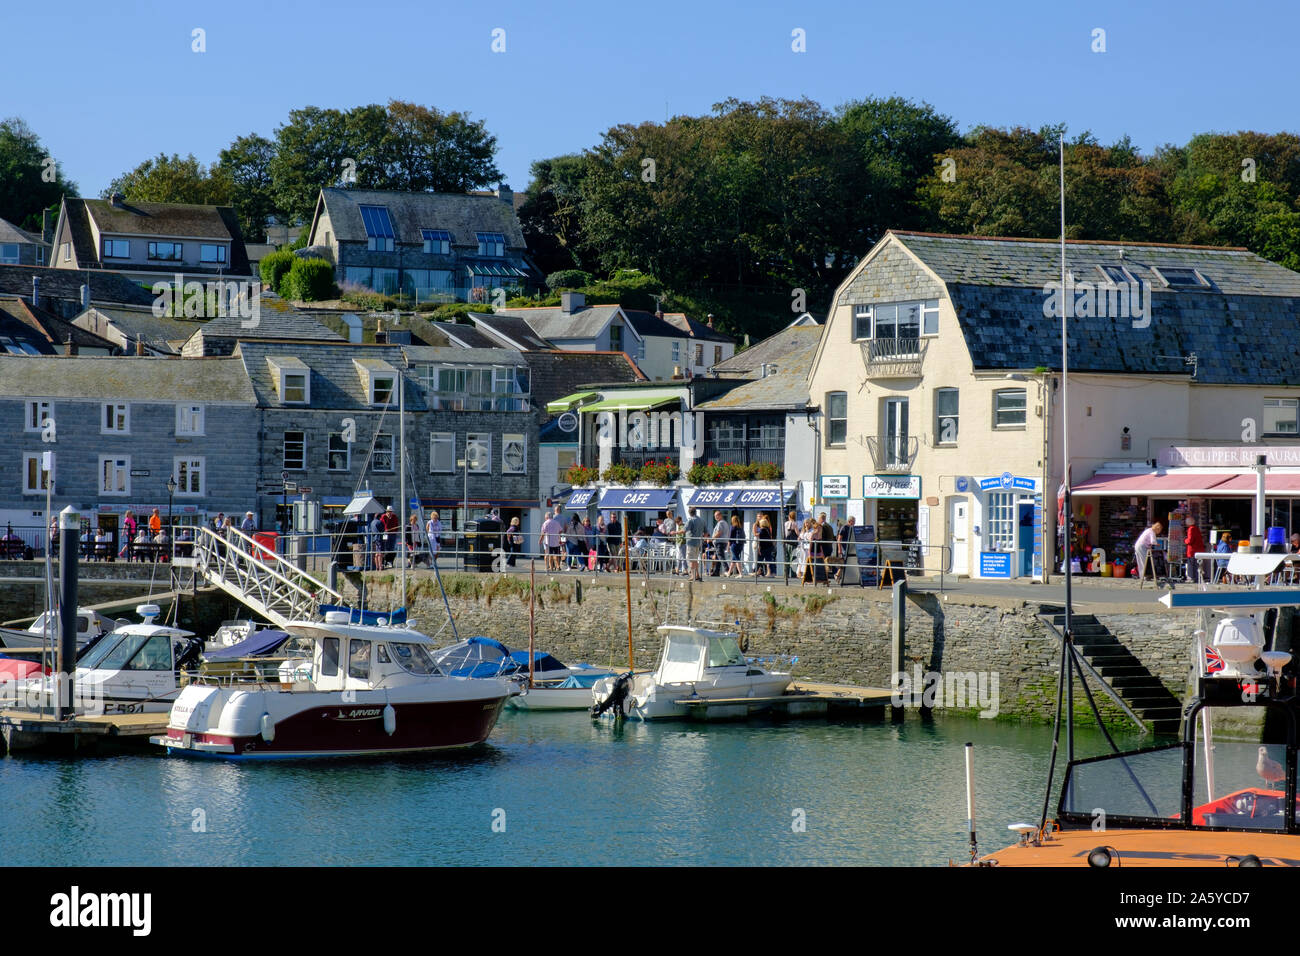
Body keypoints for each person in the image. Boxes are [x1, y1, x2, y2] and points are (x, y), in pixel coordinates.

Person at [684, 507, 707, 581]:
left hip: (691, 542)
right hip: (698, 543)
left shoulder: (690, 520)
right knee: (695, 559)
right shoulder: (702, 520)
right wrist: (703, 539)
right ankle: (697, 575)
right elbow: (706, 532)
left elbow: (684, 530)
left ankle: (692, 576)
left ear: (689, 513)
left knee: (690, 559)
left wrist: (675, 532)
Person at [836, 515, 857, 582]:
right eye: (853, 521)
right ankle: (837, 575)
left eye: (854, 521)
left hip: (852, 548)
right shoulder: (844, 528)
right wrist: (840, 549)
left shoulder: (852, 528)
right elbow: (839, 539)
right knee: (844, 562)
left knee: (849, 562)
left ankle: (839, 575)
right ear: (849, 521)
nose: (854, 523)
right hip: (845, 548)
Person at [1184, 517, 1205, 584]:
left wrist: (1185, 541)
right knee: (1197, 565)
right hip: (1199, 550)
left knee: (1191, 564)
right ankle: (1197, 578)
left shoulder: (1191, 529)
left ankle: (1191, 577)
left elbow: (1190, 540)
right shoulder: (1196, 528)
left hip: (1192, 550)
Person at [709, 511, 729, 576]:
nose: (715, 517)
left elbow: (719, 532)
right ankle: (716, 571)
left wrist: (712, 539)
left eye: (717, 515)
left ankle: (727, 569)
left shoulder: (720, 523)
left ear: (720, 515)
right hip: (724, 541)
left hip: (720, 542)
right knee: (718, 557)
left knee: (720, 556)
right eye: (715, 516)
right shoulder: (725, 523)